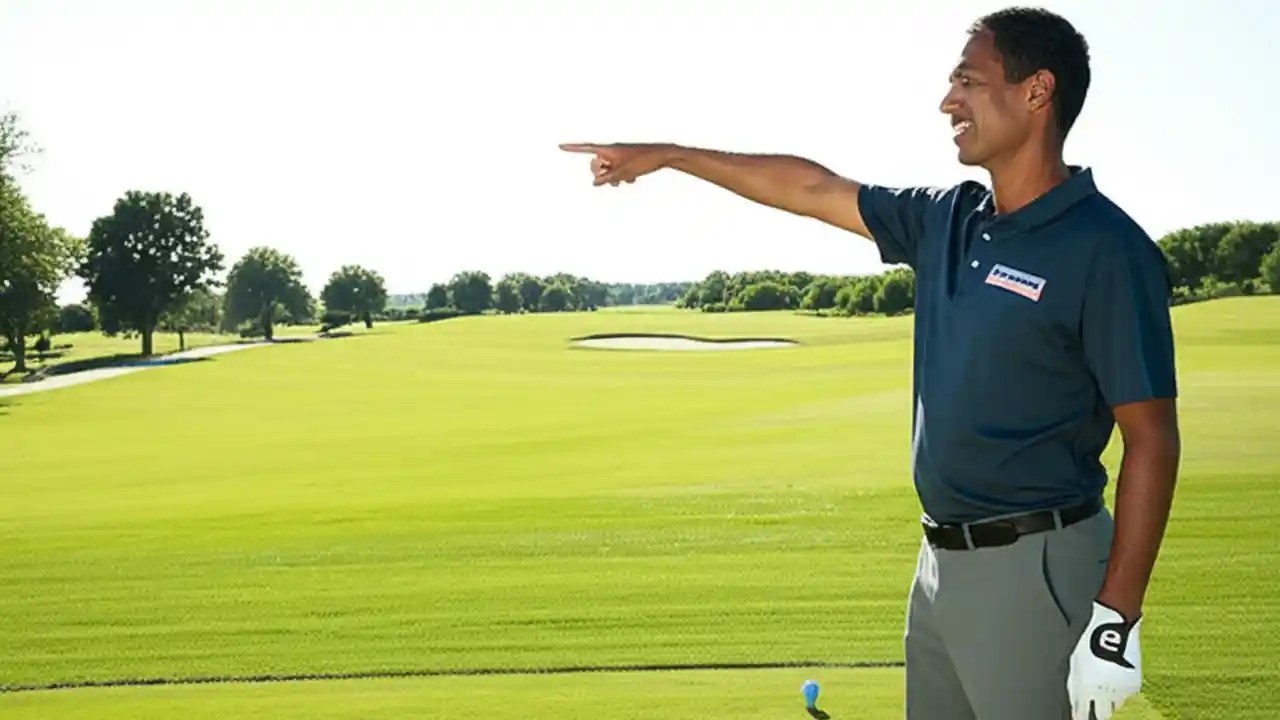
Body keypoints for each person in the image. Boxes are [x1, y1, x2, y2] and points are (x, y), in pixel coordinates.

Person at [560, 6, 1180, 720]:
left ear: (1037, 91)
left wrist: (1115, 619)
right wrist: (668, 155)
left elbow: (1152, 438)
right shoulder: (948, 219)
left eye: (968, 82)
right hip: (938, 570)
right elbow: (812, 188)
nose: (948, 101)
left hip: (1037, 570)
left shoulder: (1106, 247)